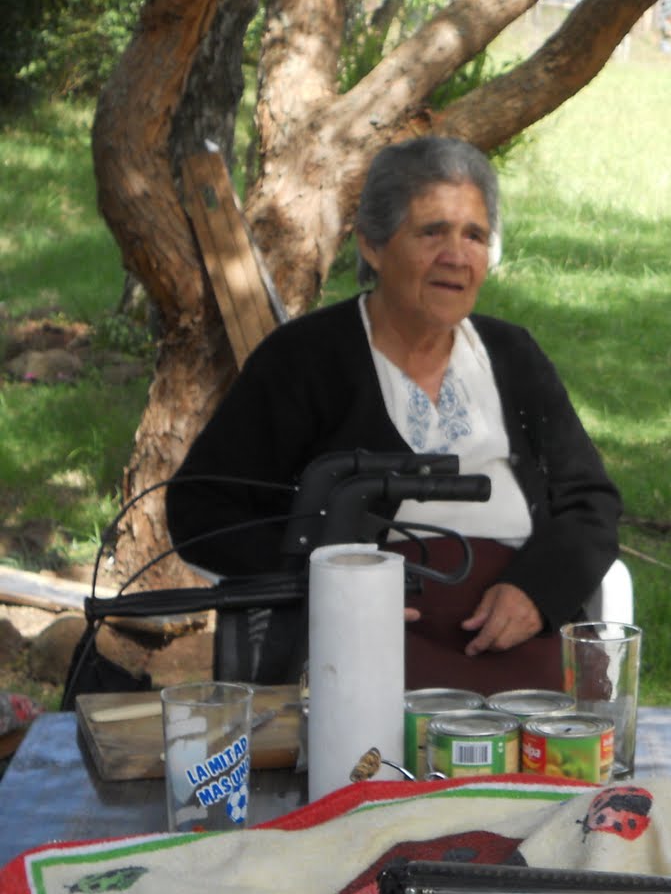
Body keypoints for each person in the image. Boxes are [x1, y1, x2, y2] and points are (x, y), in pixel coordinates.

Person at [166, 136, 621, 696]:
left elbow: (591, 502)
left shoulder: (512, 356)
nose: (456, 256)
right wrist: (335, 588)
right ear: (374, 246)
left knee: (562, 757)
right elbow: (202, 509)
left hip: (516, 634)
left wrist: (535, 593)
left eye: (474, 235)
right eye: (432, 232)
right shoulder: (305, 360)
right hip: (362, 643)